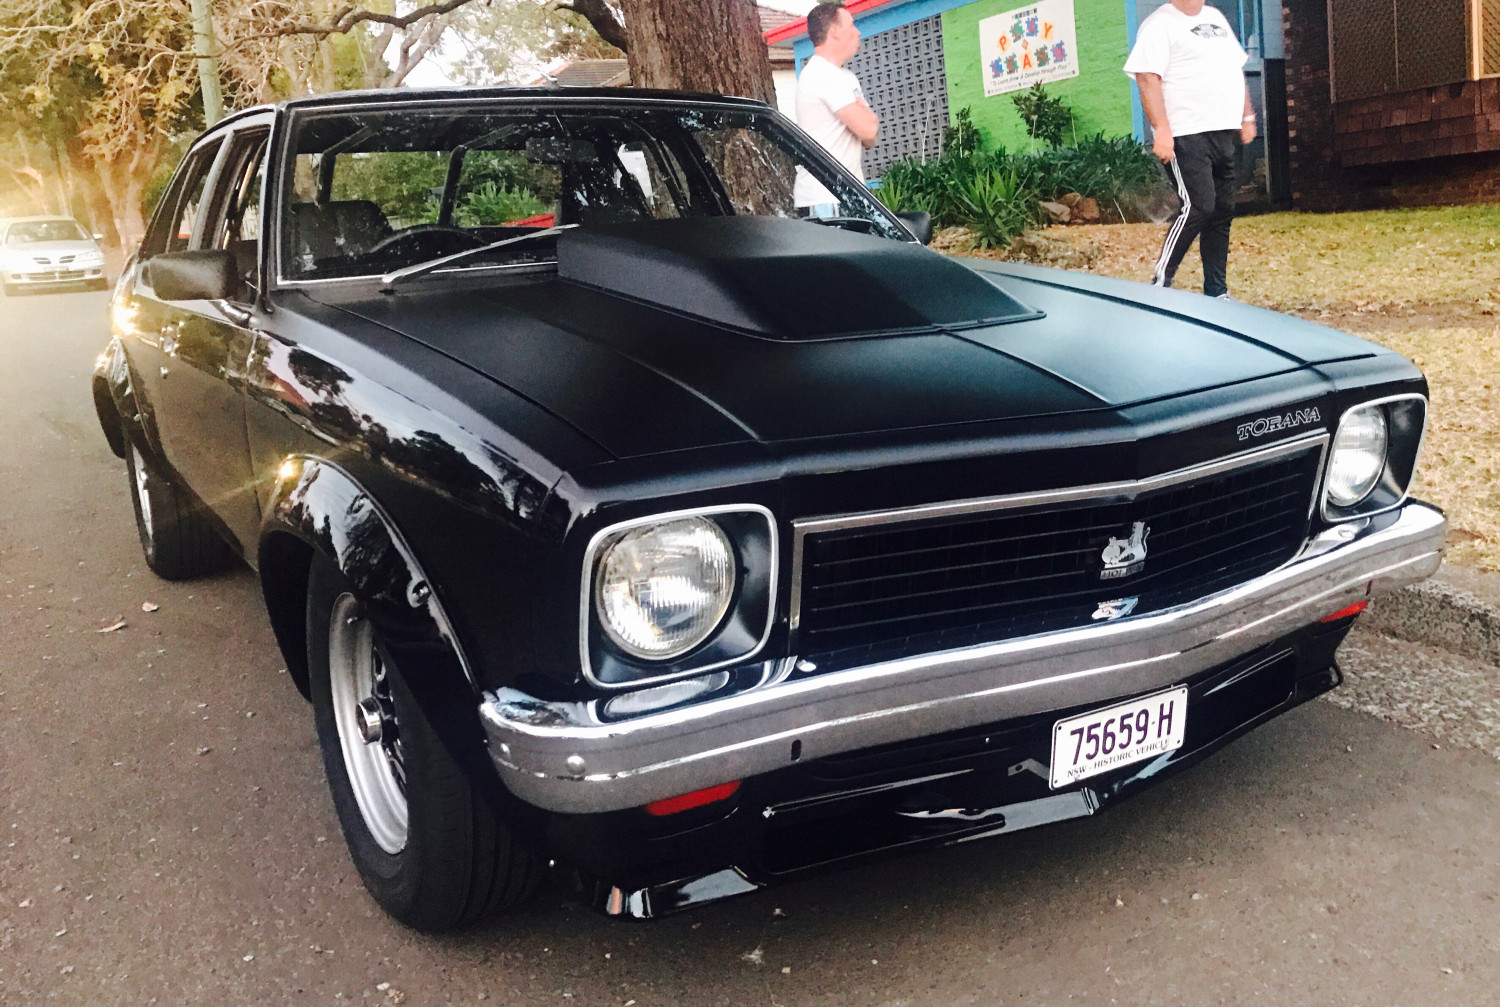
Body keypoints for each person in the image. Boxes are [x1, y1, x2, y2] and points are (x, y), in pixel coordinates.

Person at [1123, 0, 1256, 299]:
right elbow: (1147, 78)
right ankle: (1160, 283)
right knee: (1199, 205)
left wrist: (1247, 116)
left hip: (1222, 129)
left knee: (1222, 210)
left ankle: (1217, 292)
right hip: (1185, 133)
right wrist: (1162, 130)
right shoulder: (1159, 24)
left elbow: (1235, 70)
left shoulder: (1216, 17)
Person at [793, 2, 879, 211]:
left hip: (848, 196)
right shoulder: (821, 73)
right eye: (851, 25)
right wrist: (865, 117)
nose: (857, 32)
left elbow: (870, 139)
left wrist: (866, 121)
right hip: (825, 199)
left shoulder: (845, 77)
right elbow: (868, 129)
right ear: (835, 32)